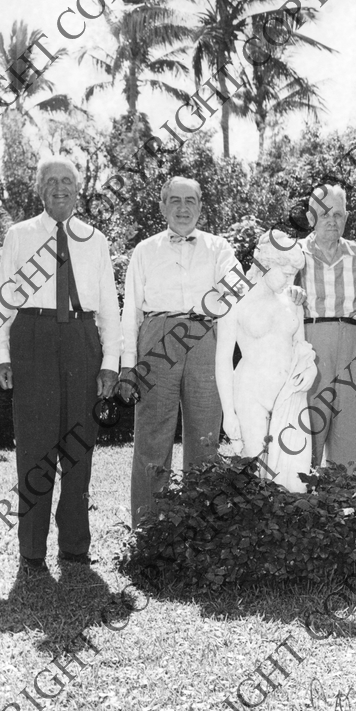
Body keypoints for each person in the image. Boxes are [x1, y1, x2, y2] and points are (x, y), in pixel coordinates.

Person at [0, 155, 122, 573]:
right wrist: (2, 355)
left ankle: (75, 547)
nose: (60, 188)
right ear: (40, 189)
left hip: (82, 340)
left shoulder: (94, 239)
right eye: (51, 181)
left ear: (78, 189)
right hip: (33, 336)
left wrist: (110, 362)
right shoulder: (19, 235)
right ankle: (31, 551)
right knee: (35, 448)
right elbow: (2, 300)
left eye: (67, 180)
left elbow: (109, 309)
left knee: (78, 447)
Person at [119, 176, 243, 526]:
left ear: (201, 206)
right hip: (157, 335)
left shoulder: (220, 248)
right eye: (175, 200)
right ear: (162, 206)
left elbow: (235, 286)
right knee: (152, 433)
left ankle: (199, 527)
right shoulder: (145, 250)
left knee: (205, 433)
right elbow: (131, 311)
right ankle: (148, 527)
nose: (183, 208)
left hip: (205, 334)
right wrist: (128, 366)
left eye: (191, 200)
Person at [215, 230, 317, 492]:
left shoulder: (292, 300)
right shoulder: (234, 300)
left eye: (293, 273)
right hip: (252, 393)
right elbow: (223, 360)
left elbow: (301, 347)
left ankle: (291, 531)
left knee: (294, 477)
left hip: (289, 395)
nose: (289, 279)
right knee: (256, 473)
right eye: (284, 272)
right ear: (265, 264)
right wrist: (229, 413)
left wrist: (310, 368)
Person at [298, 183, 356, 472]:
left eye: (338, 214)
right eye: (324, 213)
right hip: (309, 342)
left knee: (347, 420)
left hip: (352, 341)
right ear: (311, 217)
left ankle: (343, 499)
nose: (331, 220)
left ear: (346, 217)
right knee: (309, 418)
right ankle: (302, 496)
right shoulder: (295, 254)